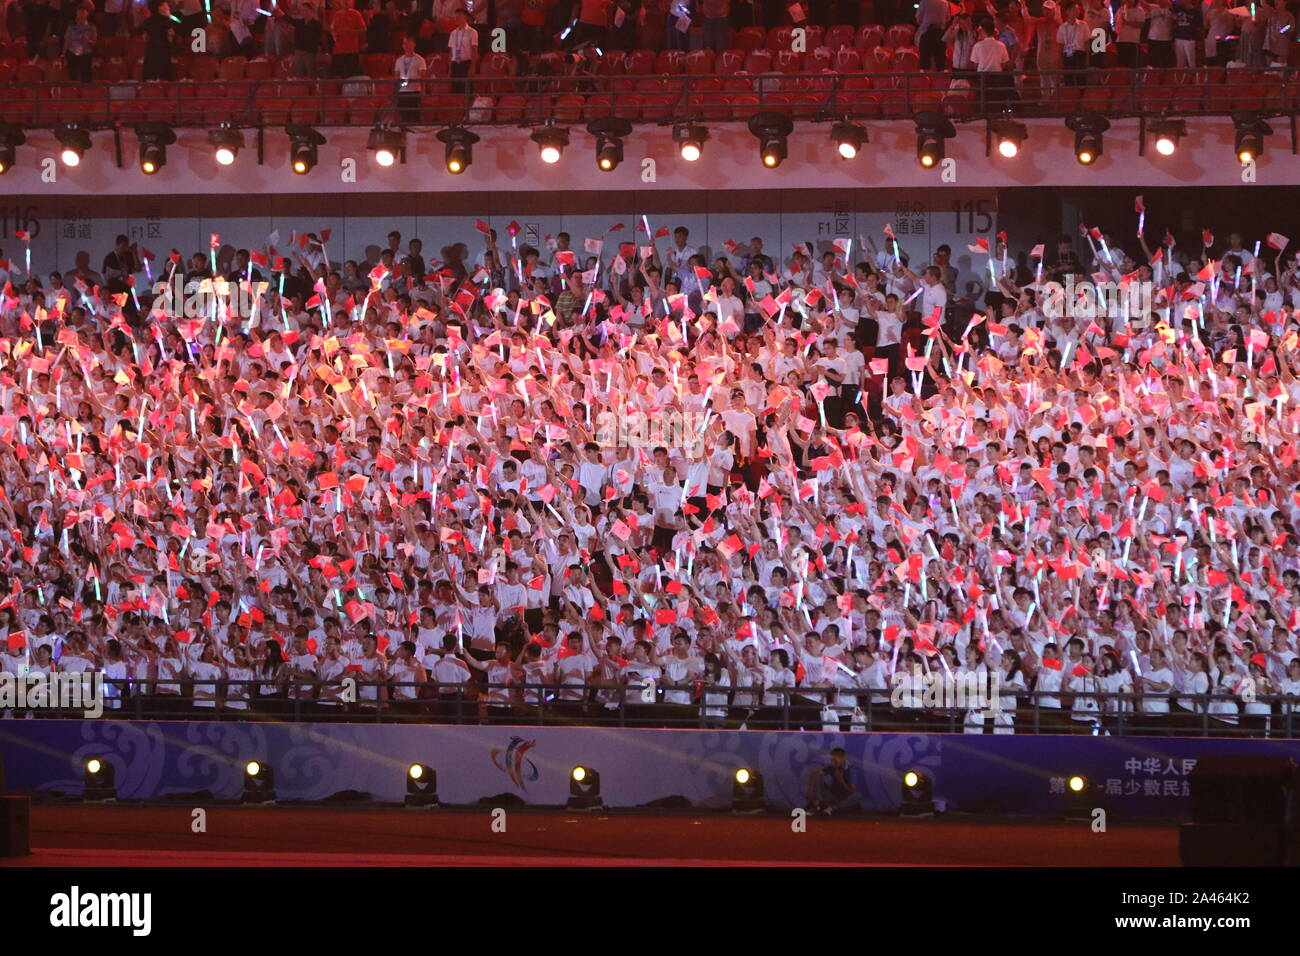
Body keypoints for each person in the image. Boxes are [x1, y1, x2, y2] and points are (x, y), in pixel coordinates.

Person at [805, 747, 859, 815]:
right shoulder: (832, 767)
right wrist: (809, 790)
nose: (833, 762)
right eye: (832, 760)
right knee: (819, 777)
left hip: (843, 798)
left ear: (842, 759)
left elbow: (852, 791)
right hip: (832, 795)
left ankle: (830, 809)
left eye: (835, 760)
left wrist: (841, 780)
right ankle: (817, 804)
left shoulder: (851, 771)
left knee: (857, 796)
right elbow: (814, 774)